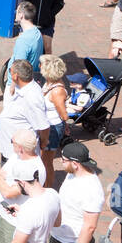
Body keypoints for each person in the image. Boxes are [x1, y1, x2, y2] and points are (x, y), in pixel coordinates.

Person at [0, 130, 46, 243]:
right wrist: (1, 181)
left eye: (12, 142)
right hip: (5, 214)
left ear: (20, 147)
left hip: (15, 222)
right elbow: (0, 175)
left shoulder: (33, 169)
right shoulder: (17, 156)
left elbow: (8, 192)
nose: (11, 143)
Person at [0, 59, 50, 166]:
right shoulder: (21, 87)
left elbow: (43, 126)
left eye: (10, 71)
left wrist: (43, 143)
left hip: (20, 155)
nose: (9, 74)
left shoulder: (32, 96)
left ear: (16, 76)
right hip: (10, 149)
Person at [39, 55, 70, 184]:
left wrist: (66, 125)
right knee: (42, 160)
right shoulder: (49, 83)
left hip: (52, 128)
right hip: (46, 126)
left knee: (46, 162)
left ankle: (47, 189)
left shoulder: (57, 90)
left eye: (42, 65)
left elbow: (63, 114)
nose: (39, 67)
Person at [8, 1, 44, 85]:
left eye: (17, 11)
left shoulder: (24, 40)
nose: (15, 13)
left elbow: (18, 67)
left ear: (21, 15)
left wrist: (12, 86)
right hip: (31, 79)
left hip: (18, 84)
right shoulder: (37, 32)